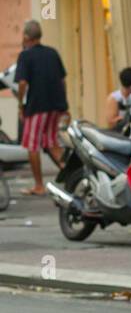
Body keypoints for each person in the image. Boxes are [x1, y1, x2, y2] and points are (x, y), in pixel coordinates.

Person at [12, 20, 67, 196]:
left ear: (26, 37)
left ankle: (38, 185)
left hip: (37, 106)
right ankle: (72, 176)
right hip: (55, 106)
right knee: (52, 142)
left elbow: (22, 83)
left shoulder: (25, 56)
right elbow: (62, 80)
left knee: (32, 145)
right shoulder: (52, 53)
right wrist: (64, 104)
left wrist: (21, 105)